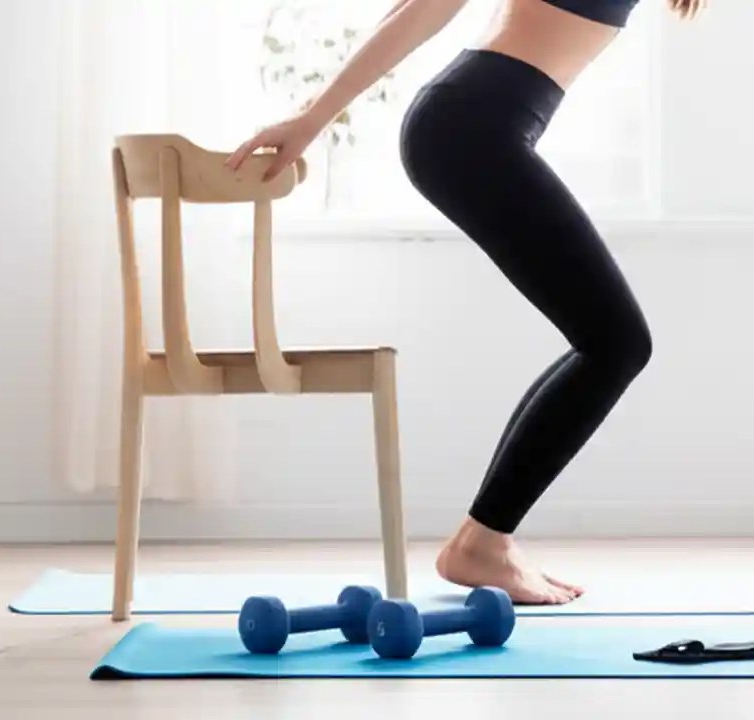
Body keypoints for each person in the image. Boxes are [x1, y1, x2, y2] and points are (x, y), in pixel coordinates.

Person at [227, 0, 705, 604]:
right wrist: (310, 119)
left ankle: (484, 540)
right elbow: (423, 8)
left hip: (477, 124)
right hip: (472, 126)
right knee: (616, 344)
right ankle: (483, 542)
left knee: (607, 343)